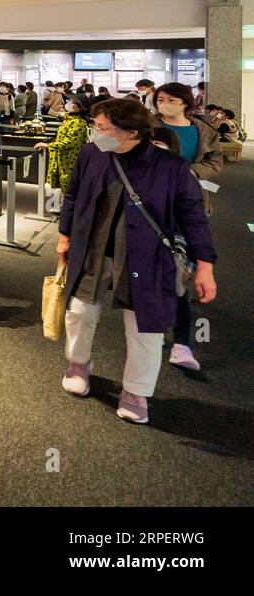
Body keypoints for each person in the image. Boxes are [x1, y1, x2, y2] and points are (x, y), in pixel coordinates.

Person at [57, 97, 216, 425]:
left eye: (103, 128)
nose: (96, 133)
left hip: (149, 257)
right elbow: (72, 194)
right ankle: (78, 363)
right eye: (95, 126)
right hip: (93, 251)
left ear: (131, 132)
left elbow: (193, 216)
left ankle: (136, 391)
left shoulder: (169, 167)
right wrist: (65, 235)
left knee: (145, 329)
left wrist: (205, 264)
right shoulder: (92, 154)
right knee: (79, 313)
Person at [153, 82, 222, 372]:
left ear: (185, 102)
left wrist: (189, 172)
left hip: (189, 203)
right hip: (151, 205)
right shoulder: (147, 127)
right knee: (150, 269)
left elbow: (214, 163)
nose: (164, 103)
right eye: (160, 99)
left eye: (171, 99)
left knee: (183, 271)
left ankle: (182, 342)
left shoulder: (203, 130)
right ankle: (153, 329)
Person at [36, 92, 90, 192]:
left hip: (69, 162)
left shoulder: (78, 123)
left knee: (69, 189)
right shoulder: (69, 119)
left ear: (79, 108)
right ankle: (57, 206)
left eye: (72, 102)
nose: (68, 102)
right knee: (56, 191)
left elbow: (69, 142)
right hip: (60, 159)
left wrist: (48, 145)